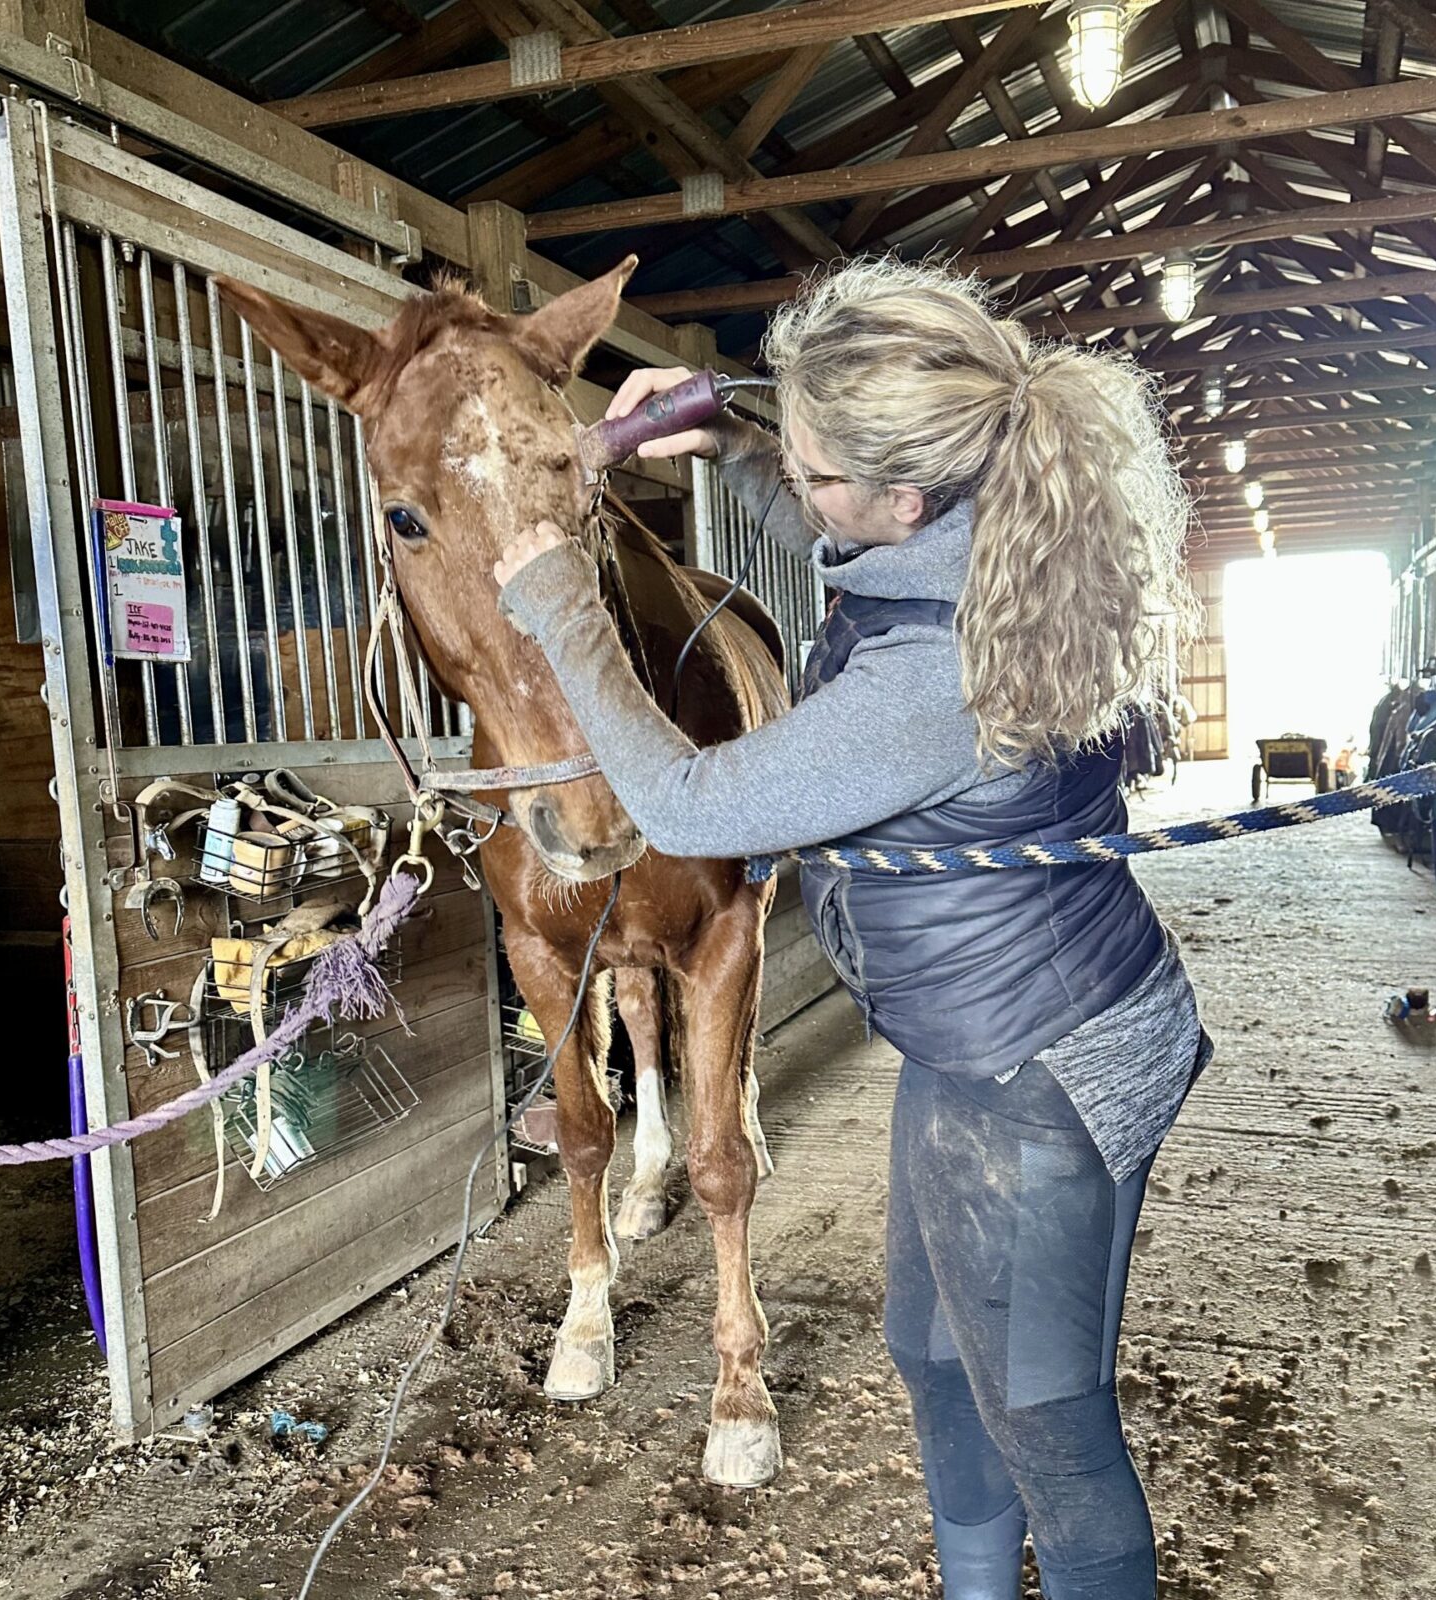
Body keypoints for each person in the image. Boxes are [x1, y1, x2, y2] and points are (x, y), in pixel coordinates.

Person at [492, 257, 1212, 1600]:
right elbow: (850, 486)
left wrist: (557, 598)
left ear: (902, 498)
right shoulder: (979, 507)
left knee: (1049, 1415)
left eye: (817, 472)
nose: (798, 482)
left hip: (1047, 1065)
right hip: (975, 1038)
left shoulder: (936, 671)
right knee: (937, 1353)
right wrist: (742, 434)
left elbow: (689, 803)